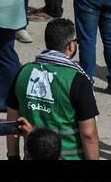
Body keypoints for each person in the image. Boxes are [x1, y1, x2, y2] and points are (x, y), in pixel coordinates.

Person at [6, 18, 100, 161]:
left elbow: (12, 121)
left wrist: (13, 156)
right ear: (71, 46)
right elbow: (88, 134)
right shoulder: (78, 80)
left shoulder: (24, 72)